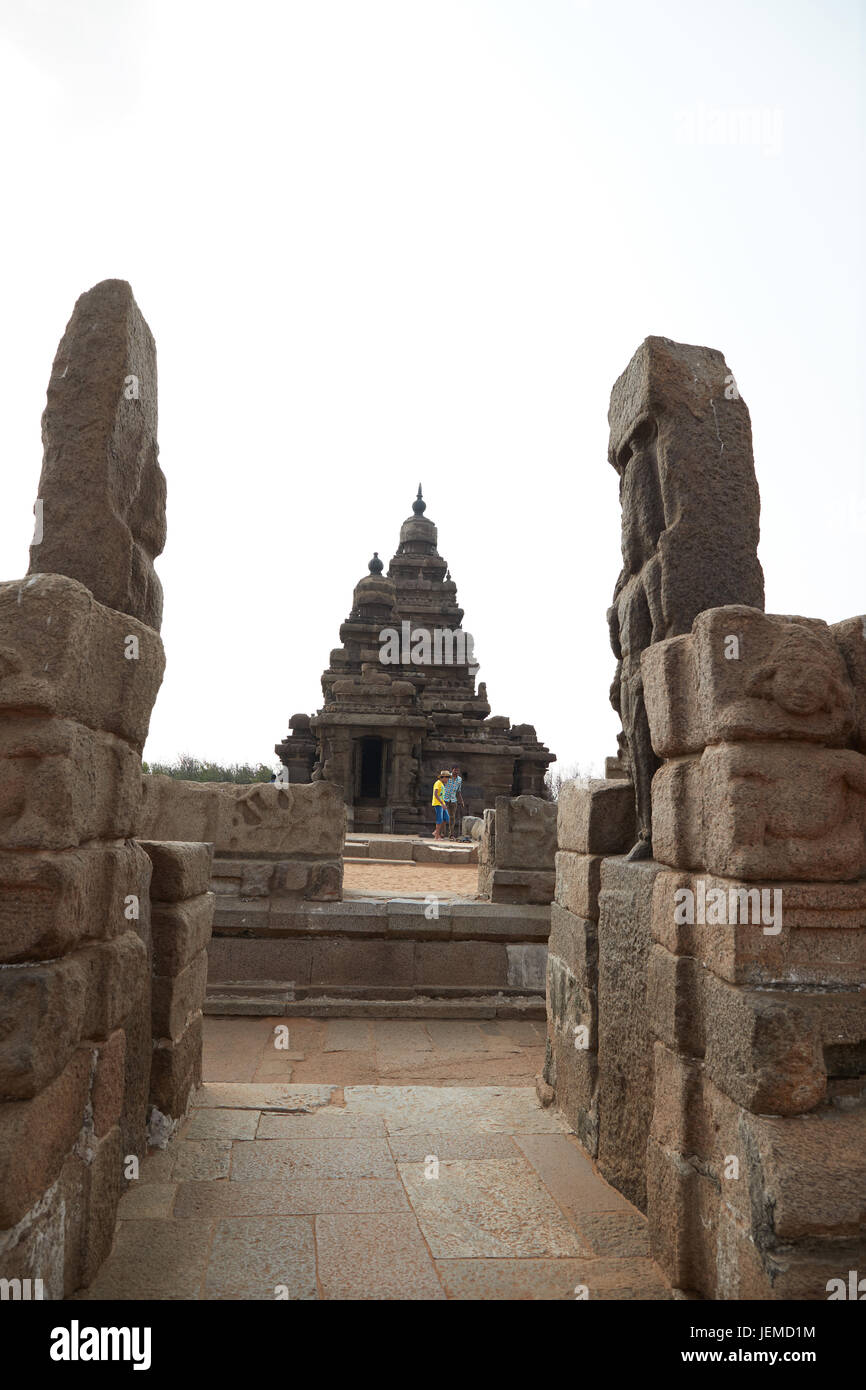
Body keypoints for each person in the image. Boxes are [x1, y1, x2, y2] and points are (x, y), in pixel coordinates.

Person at [443, 765, 465, 839]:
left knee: (452, 817)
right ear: (452, 770)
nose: (456, 772)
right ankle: (442, 833)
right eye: (455, 770)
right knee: (444, 816)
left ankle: (451, 834)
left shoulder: (459, 779)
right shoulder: (447, 776)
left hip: (453, 800)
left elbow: (458, 791)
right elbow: (441, 787)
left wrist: (461, 801)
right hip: (445, 799)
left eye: (457, 770)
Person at [432, 769, 450, 840]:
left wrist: (444, 803)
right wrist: (442, 803)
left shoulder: (442, 784)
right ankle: (436, 837)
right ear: (444, 777)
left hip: (442, 803)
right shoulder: (438, 783)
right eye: (447, 778)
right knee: (439, 819)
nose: (448, 780)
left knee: (446, 818)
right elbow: (435, 794)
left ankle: (436, 832)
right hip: (438, 803)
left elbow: (441, 795)